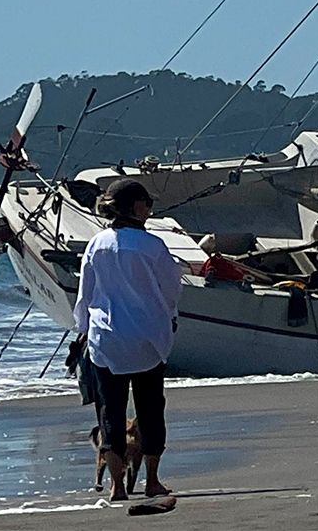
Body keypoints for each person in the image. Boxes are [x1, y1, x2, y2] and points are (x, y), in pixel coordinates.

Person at [73, 178, 182, 501]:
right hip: (148, 337)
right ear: (136, 208)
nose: (150, 209)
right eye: (148, 204)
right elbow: (172, 289)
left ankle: (117, 486)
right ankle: (151, 480)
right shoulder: (153, 246)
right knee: (150, 408)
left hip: (107, 337)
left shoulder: (97, 243)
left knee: (111, 411)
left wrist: (81, 326)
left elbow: (85, 293)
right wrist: (170, 317)